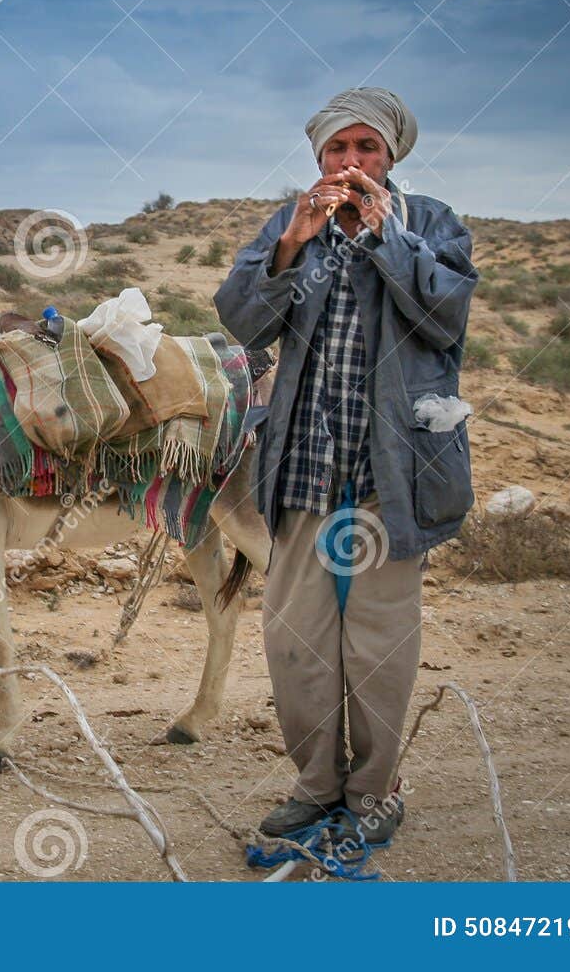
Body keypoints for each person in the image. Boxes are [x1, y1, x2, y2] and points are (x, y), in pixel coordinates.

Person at [214, 87, 479, 845]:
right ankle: (314, 783)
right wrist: (293, 243)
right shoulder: (291, 224)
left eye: (366, 148)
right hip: (303, 465)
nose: (351, 162)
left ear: (391, 156)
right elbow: (240, 319)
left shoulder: (429, 223)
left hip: (392, 472)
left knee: (377, 641)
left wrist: (386, 237)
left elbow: (445, 316)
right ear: (318, 158)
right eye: (338, 149)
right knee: (295, 636)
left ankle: (372, 790)